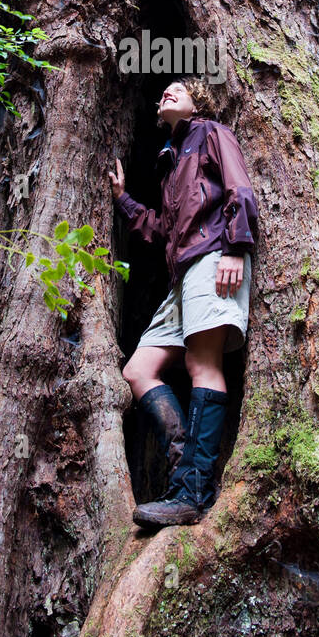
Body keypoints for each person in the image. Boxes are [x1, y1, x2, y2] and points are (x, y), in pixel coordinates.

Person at [108, 77, 258, 528]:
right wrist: (123, 200)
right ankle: (183, 464)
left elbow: (240, 189)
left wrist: (235, 246)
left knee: (202, 366)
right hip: (182, 276)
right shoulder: (170, 163)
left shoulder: (211, 133)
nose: (166, 94)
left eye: (178, 89)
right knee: (138, 369)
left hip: (215, 257)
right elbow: (163, 231)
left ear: (197, 104)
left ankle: (193, 491)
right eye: (163, 93)